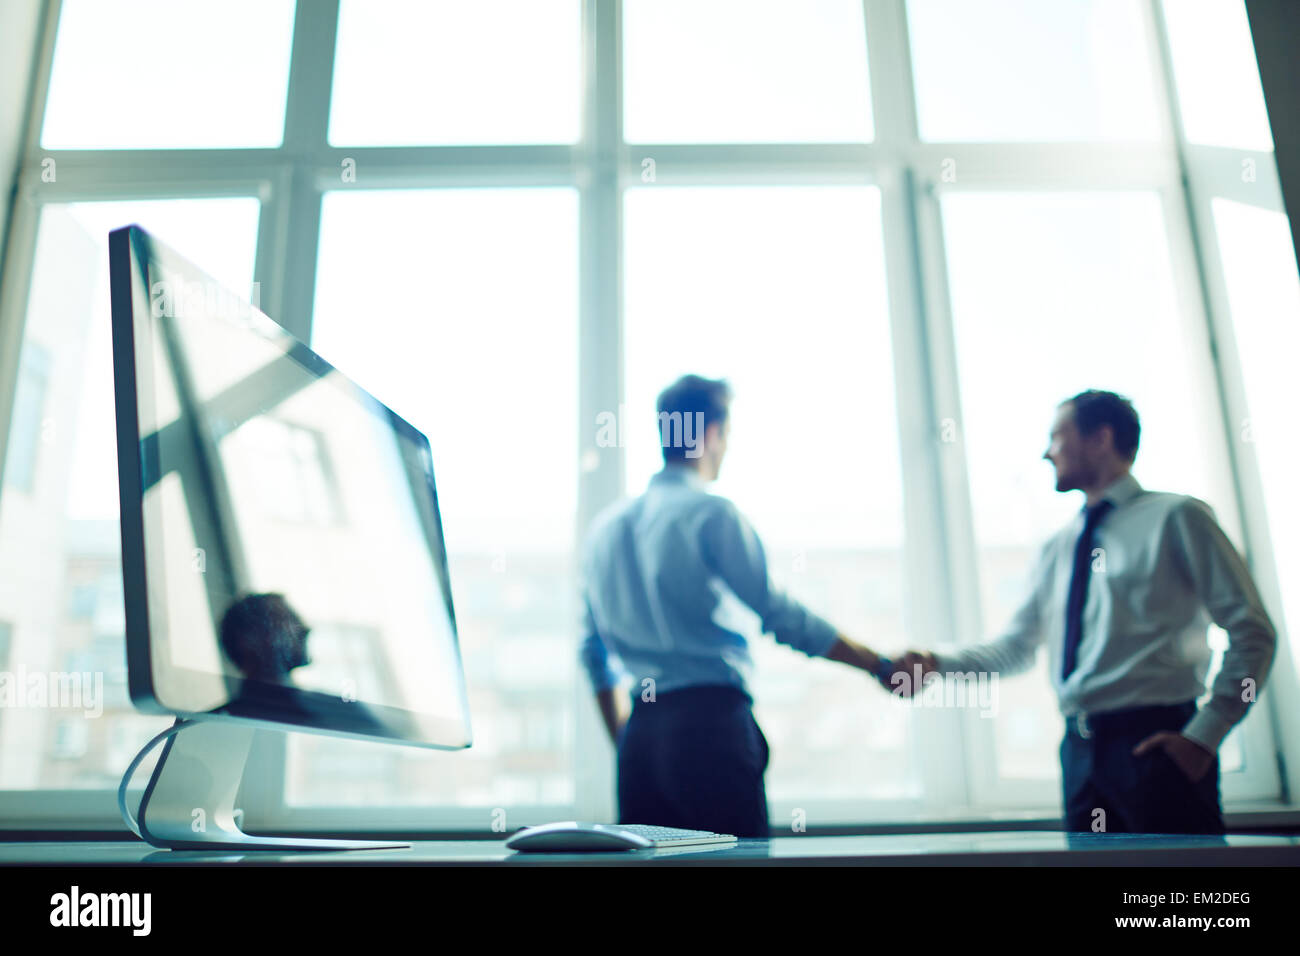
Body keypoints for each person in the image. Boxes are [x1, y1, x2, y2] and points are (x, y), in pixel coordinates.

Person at [890, 390, 1276, 834]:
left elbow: (1252, 632)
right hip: (1079, 752)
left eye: (1057, 437)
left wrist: (1204, 736)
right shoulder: (1058, 547)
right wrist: (937, 664)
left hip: (1158, 743)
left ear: (1101, 438)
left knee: (1174, 900)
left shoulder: (1179, 518)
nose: (1046, 452)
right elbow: (1017, 648)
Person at [577, 374, 889, 838]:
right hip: (710, 730)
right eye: (727, 435)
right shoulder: (711, 513)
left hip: (641, 741)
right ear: (710, 434)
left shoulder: (604, 530)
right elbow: (779, 615)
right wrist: (877, 664)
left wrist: (626, 740)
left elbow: (593, 653)